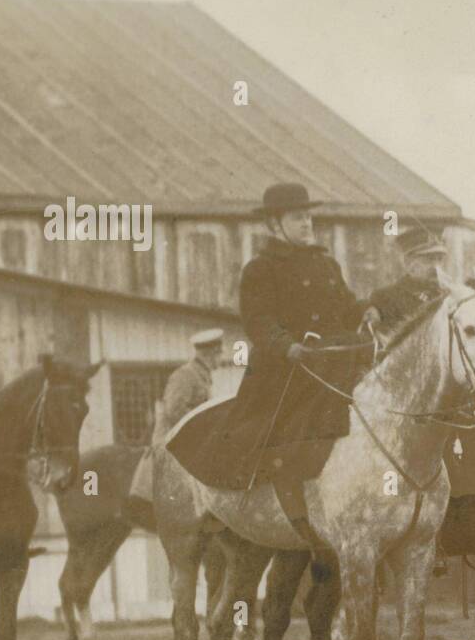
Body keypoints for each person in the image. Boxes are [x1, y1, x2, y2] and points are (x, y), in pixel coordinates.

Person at [174, 182, 365, 550]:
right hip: (285, 370)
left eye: (308, 216)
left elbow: (348, 307)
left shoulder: (327, 264)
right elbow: (259, 321)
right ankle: (295, 515)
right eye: (298, 217)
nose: (307, 223)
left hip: (333, 364)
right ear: (274, 225)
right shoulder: (260, 269)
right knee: (283, 433)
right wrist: (287, 346)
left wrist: (370, 310)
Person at [126, 329, 224, 527]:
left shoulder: (201, 375)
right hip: (171, 437)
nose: (220, 359)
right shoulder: (185, 375)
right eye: (219, 354)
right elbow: (174, 410)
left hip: (187, 435)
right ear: (208, 354)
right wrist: (204, 429)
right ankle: (203, 512)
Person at [362, 224, 448, 335]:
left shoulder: (448, 296)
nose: (437, 267)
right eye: (429, 260)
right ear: (408, 263)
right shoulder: (385, 298)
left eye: (440, 259)